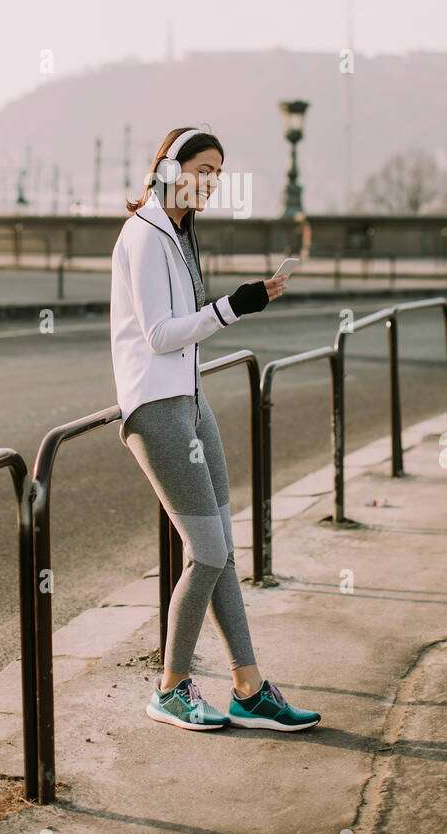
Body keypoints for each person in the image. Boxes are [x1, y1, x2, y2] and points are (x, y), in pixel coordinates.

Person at [110, 124, 321, 732]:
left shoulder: (178, 235)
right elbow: (158, 335)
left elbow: (184, 328)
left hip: (191, 403)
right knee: (205, 551)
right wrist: (237, 305)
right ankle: (171, 688)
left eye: (217, 174)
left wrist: (243, 300)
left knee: (222, 549)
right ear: (170, 167)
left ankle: (249, 689)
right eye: (202, 169)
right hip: (155, 409)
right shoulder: (145, 235)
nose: (210, 182)